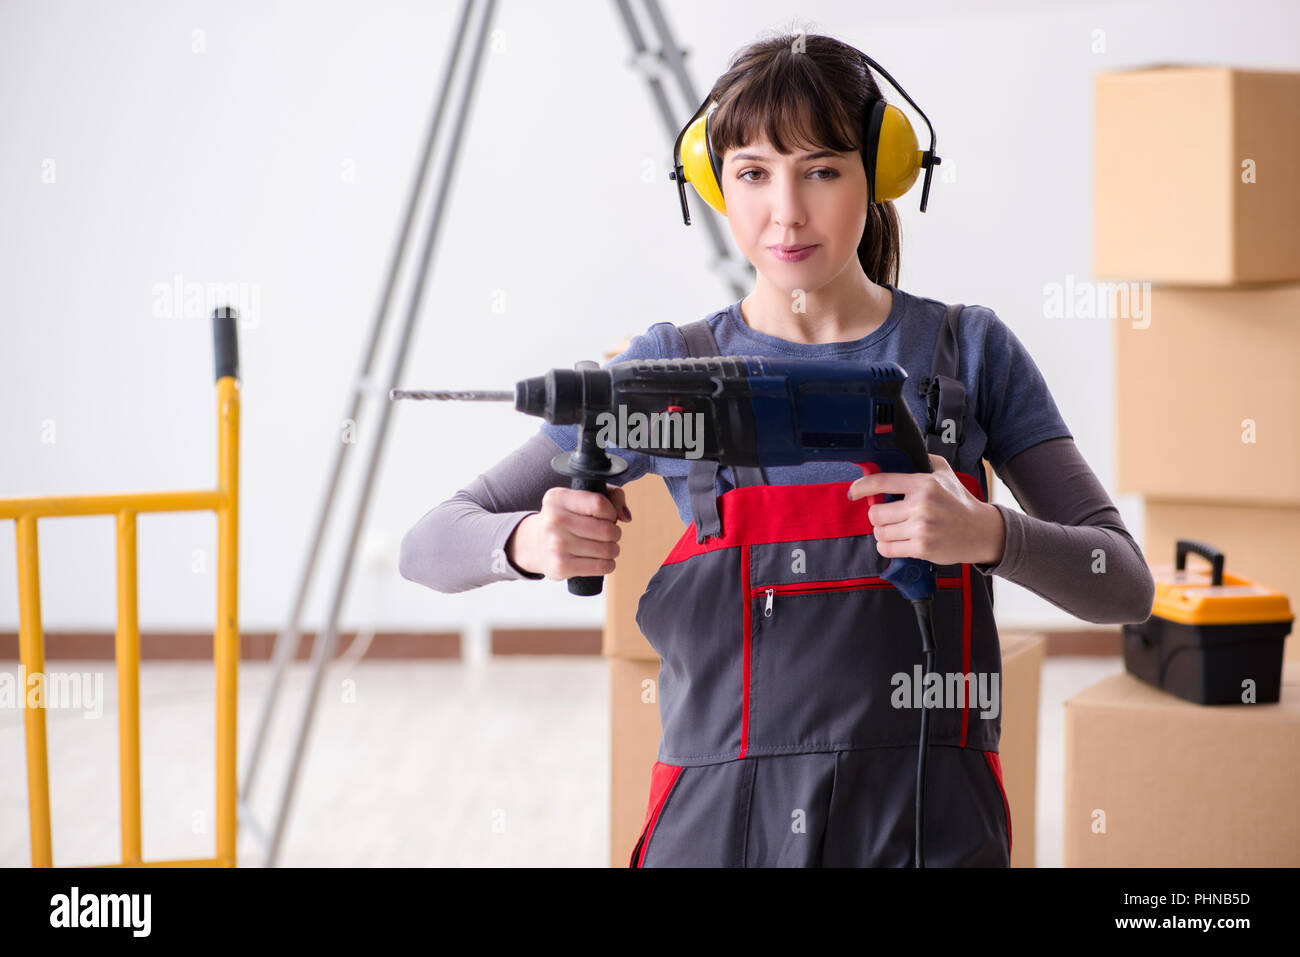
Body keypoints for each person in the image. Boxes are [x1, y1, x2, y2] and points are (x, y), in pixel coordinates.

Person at [398, 32, 1155, 867]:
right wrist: (527, 542)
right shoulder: (671, 368)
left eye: (822, 169)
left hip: (925, 825)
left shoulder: (968, 352)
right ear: (716, 182)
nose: (786, 212)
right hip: (721, 828)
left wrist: (990, 535)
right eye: (754, 172)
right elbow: (428, 544)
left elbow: (1120, 584)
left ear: (881, 173)